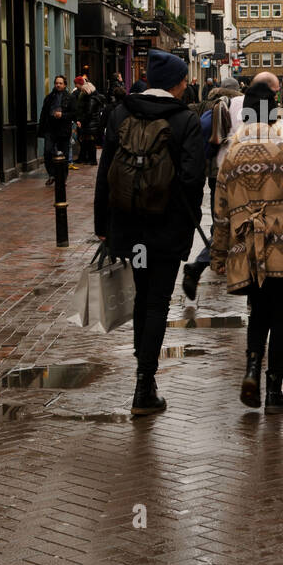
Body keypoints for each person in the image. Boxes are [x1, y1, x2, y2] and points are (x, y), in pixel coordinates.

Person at [94, 50, 205, 415]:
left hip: (129, 226)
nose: (187, 84)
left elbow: (105, 171)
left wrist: (102, 225)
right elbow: (192, 179)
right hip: (167, 227)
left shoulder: (120, 113)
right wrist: (189, 220)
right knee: (158, 301)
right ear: (174, 83)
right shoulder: (185, 120)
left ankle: (144, 373)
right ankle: (145, 383)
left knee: (142, 296)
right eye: (184, 79)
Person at [211, 82, 283, 412]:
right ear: (274, 116)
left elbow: (220, 211)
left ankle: (250, 371)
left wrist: (218, 255)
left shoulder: (231, 156)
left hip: (247, 247)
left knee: (258, 313)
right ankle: (274, 392)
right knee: (282, 318)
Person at [181, 76, 243, 301]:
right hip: (233, 173)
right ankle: (201, 264)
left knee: (222, 221)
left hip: (213, 172)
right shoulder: (239, 107)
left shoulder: (208, 103)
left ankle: (206, 263)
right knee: (231, 224)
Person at [38, 75, 75, 185]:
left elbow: (74, 114)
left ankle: (62, 178)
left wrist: (62, 115)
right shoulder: (49, 98)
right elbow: (43, 113)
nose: (58, 85)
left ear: (65, 85)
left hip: (63, 130)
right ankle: (52, 174)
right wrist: (42, 129)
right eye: (56, 83)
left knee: (64, 154)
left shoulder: (70, 98)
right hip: (50, 129)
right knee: (48, 152)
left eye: (60, 83)